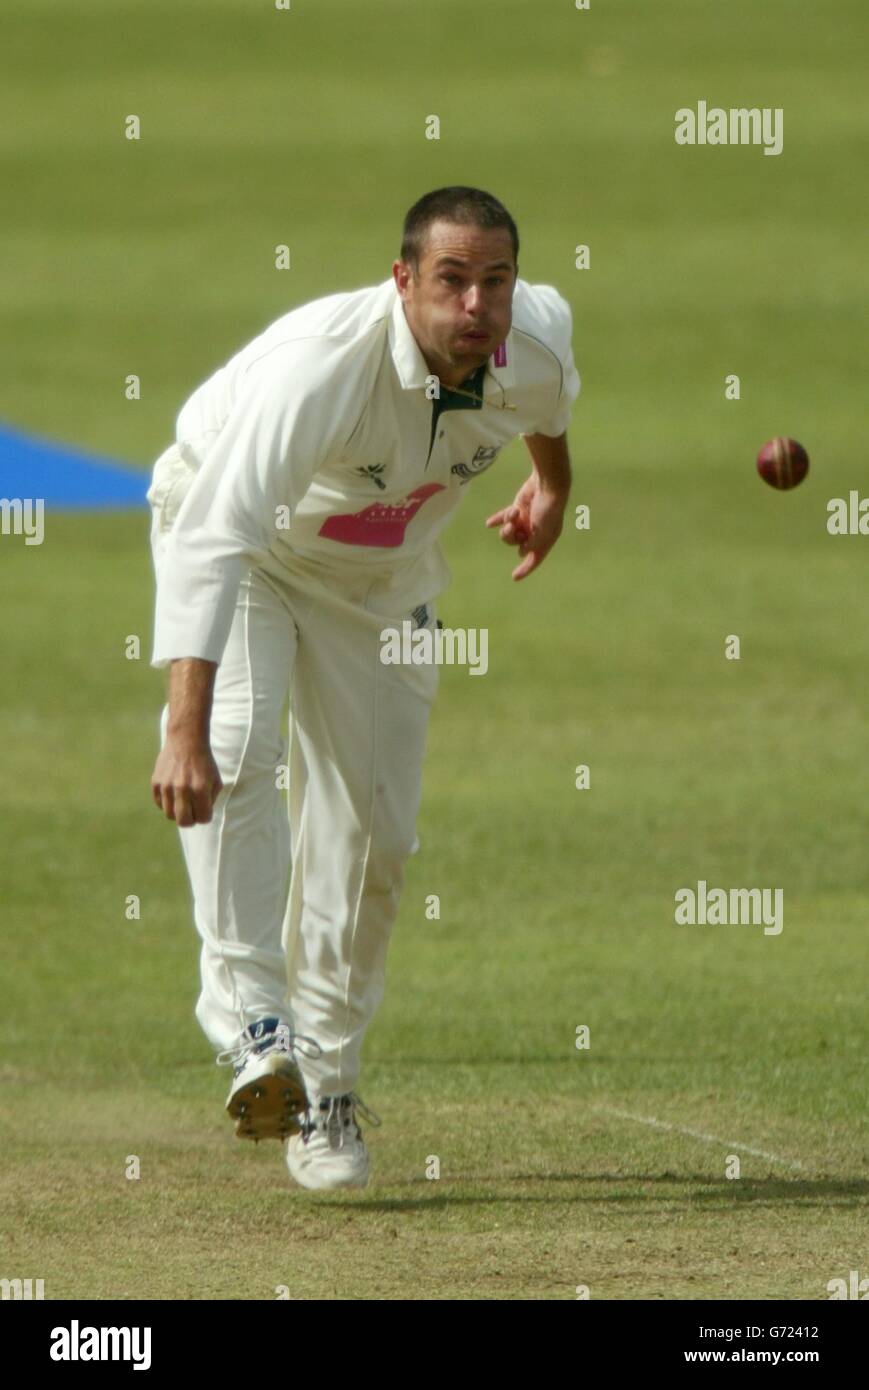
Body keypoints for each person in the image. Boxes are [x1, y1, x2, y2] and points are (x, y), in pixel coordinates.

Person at [148, 185, 581, 1190]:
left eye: (495, 281)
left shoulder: (538, 340)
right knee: (239, 743)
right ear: (402, 281)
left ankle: (326, 1090)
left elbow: (547, 415)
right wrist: (183, 727)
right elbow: (215, 535)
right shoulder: (322, 373)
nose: (476, 305)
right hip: (246, 546)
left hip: (380, 585)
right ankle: (255, 1028)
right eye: (450, 281)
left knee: (376, 829)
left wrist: (551, 487)